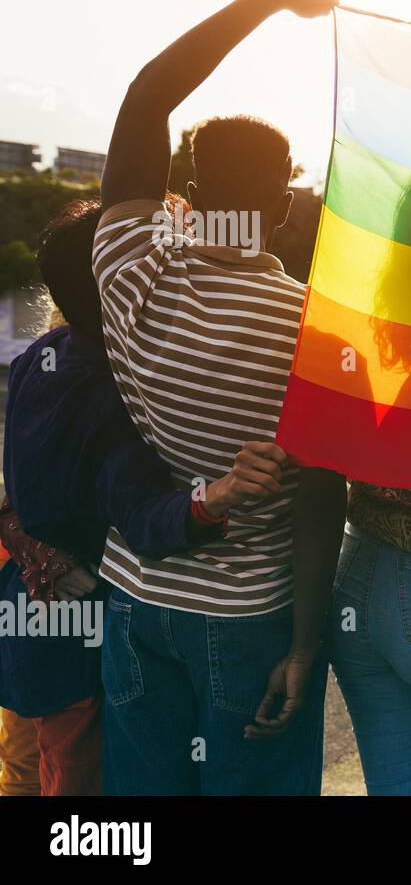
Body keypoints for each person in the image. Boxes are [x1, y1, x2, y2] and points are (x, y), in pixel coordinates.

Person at [93, 0, 344, 794]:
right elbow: (317, 499)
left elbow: (146, 96)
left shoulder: (130, 271)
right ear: (283, 208)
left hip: (134, 593)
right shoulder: (317, 330)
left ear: (188, 197)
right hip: (248, 617)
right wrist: (307, 647)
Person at [0, 198, 289, 795]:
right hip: (85, 627)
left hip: (30, 612)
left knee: (25, 768)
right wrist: (217, 496)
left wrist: (24, 537)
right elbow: (142, 516)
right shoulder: (119, 389)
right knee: (77, 784)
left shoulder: (39, 356)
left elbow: (19, 480)